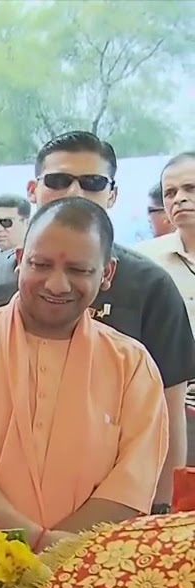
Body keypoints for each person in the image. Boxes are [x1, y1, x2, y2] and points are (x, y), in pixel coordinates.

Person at [0, 131, 195, 515]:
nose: (57, 285)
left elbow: (166, 416)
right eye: (59, 180)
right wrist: (21, 536)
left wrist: (161, 507)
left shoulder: (148, 293)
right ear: (33, 189)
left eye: (92, 182)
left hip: (104, 531)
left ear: (106, 274)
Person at [0, 197, 166, 546]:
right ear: (20, 261)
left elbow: (132, 480)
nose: (57, 284)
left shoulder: (132, 364)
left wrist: (58, 549)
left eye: (78, 270)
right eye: (41, 265)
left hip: (87, 561)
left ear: (107, 273)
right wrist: (33, 541)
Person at [134, 152, 195, 475]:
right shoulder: (144, 262)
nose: (179, 199)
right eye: (170, 192)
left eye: (190, 188)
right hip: (170, 407)